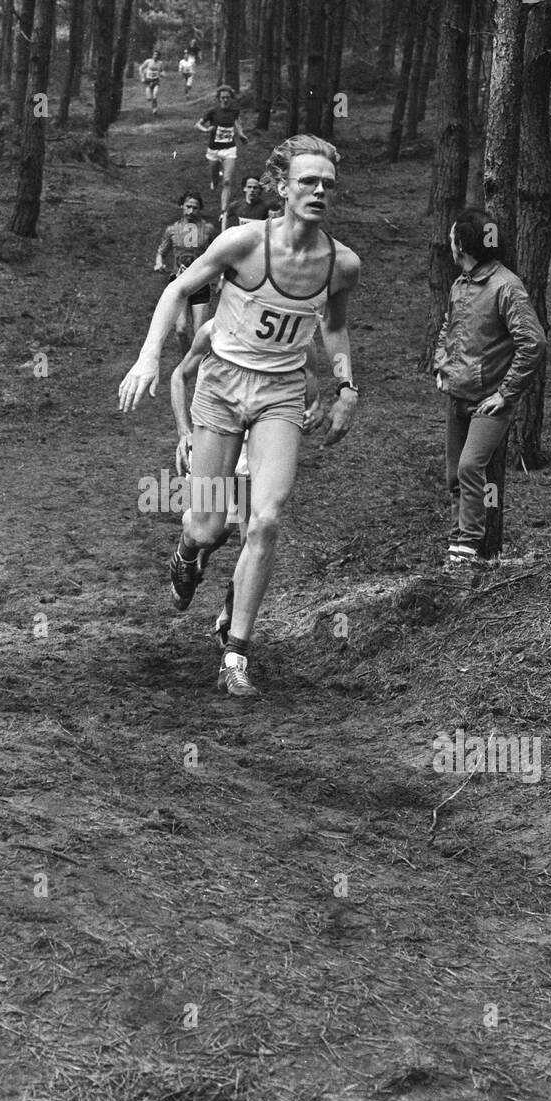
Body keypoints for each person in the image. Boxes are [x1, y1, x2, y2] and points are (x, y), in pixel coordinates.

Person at [119, 134, 360, 700]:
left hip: (280, 394)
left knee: (267, 519)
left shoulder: (341, 264)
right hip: (222, 386)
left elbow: (334, 328)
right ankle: (188, 554)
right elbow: (179, 286)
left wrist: (346, 386)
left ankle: (235, 653)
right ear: (282, 187)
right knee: (206, 525)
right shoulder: (242, 243)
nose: (319, 191)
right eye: (308, 181)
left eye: (327, 184)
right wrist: (150, 355)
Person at [170, 317, 325, 647]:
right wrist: (184, 432)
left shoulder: (302, 341)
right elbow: (179, 376)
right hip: (216, 437)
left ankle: (230, 615)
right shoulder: (216, 330)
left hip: (257, 449)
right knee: (212, 530)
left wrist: (314, 411)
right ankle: (187, 554)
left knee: (252, 536)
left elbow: (311, 393)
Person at [434, 207, 546, 568]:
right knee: (454, 477)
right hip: (457, 395)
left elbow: (533, 342)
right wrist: (442, 367)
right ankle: (457, 552)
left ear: (463, 244)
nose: (449, 242)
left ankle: (469, 550)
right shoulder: (460, 284)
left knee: (469, 468)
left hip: (490, 402)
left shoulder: (506, 286)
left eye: (453, 236)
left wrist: (505, 393)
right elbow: (447, 328)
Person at [154, 192, 217, 356]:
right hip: (179, 282)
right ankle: (186, 360)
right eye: (188, 207)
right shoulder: (172, 230)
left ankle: (198, 364)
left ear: (200, 209)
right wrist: (159, 262)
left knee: (199, 331)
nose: (190, 211)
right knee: (181, 329)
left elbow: (217, 251)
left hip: (200, 282)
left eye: (195, 208)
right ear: (182, 206)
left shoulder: (208, 229)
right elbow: (161, 251)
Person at [195, 86, 249, 230]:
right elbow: (198, 125)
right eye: (222, 97)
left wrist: (241, 135)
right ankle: (214, 179)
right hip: (213, 150)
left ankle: (223, 210)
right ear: (219, 99)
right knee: (215, 176)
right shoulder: (213, 112)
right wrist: (206, 130)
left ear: (230, 99)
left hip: (229, 149)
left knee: (227, 181)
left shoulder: (234, 112)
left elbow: (237, 124)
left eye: (227, 97)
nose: (225, 100)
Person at [138, 50, 165, 114]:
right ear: (152, 55)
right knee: (149, 98)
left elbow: (162, 71)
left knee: (155, 96)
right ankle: (151, 101)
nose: (155, 56)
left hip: (156, 81)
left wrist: (163, 74)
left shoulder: (160, 63)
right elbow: (141, 68)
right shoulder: (148, 61)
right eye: (154, 55)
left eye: (157, 55)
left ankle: (154, 110)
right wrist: (142, 77)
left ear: (159, 56)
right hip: (148, 80)